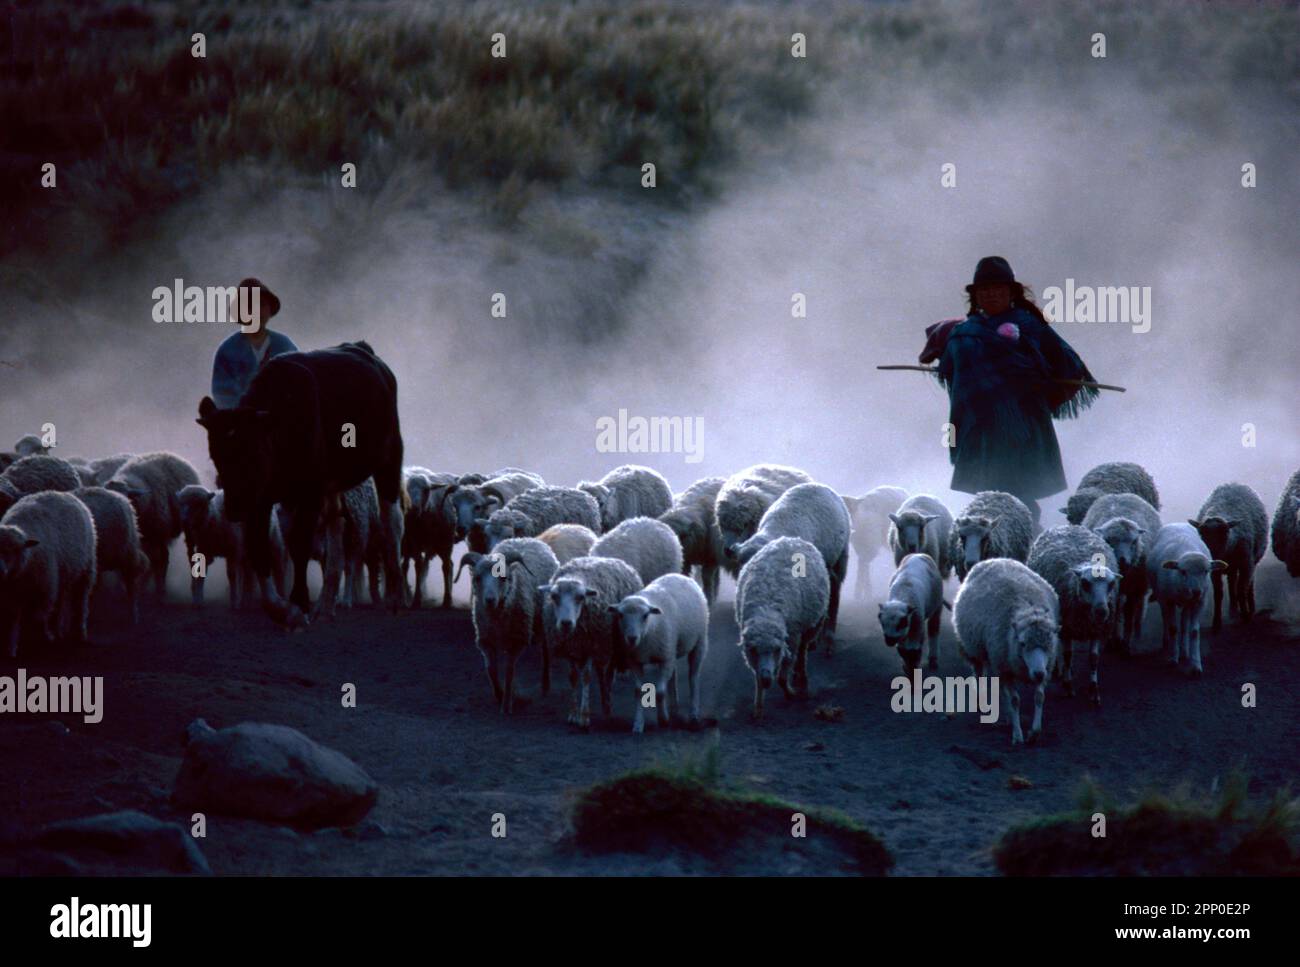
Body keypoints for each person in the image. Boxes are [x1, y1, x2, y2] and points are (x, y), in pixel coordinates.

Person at [932, 256, 1098, 526]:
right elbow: (953, 374)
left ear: (1011, 293)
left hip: (1023, 426)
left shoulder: (1031, 326)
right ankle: (987, 552)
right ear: (976, 296)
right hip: (978, 427)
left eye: (999, 289)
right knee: (987, 497)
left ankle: (1026, 543)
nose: (992, 295)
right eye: (985, 290)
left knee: (1022, 496)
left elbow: (1067, 365)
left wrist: (1038, 383)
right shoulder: (963, 334)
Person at [210, 278, 299, 409]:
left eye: (262, 305)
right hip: (240, 421)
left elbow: (298, 383)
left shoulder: (285, 345)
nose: (256, 311)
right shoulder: (228, 350)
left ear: (269, 310)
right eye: (250, 306)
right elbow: (223, 394)